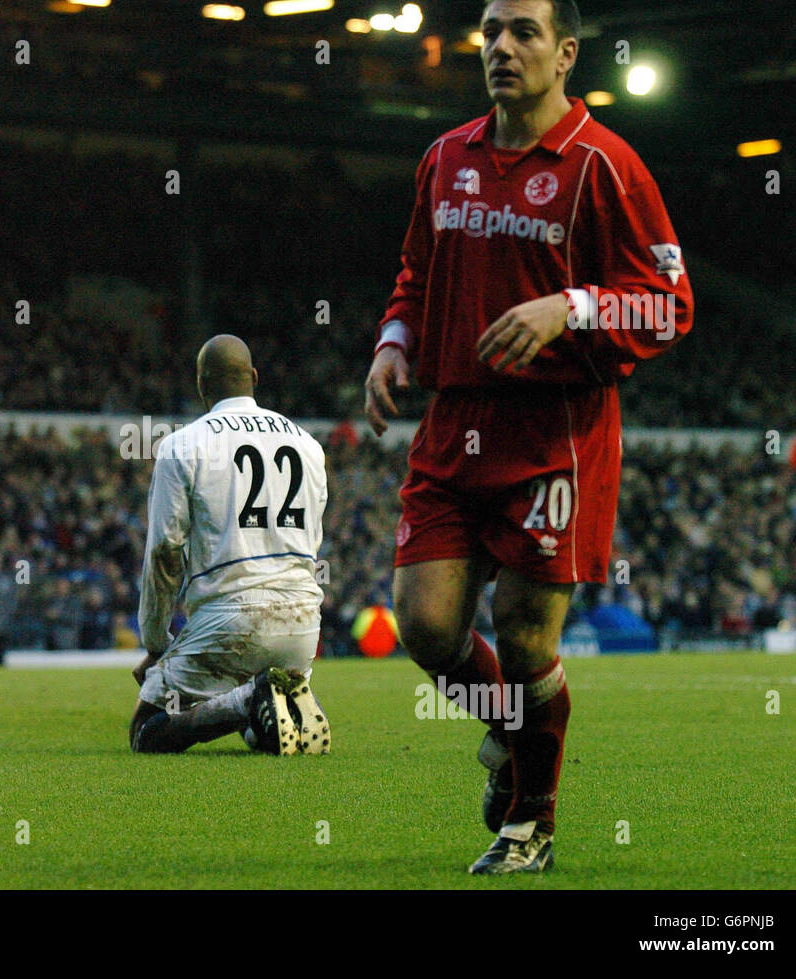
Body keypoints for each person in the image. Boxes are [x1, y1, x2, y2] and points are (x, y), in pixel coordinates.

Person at [362, 0, 693, 874]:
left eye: (524, 32)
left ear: (567, 53)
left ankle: (530, 822)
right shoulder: (445, 158)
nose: (502, 47)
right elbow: (416, 272)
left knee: (524, 630)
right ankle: (515, 731)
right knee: (427, 626)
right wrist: (395, 343)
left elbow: (670, 304)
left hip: (556, 433)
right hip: (452, 420)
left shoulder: (605, 167)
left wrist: (570, 307)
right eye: (491, 30)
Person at [130, 335, 330, 756]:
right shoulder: (309, 445)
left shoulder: (182, 445)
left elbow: (165, 552)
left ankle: (245, 700)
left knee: (146, 729)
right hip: (301, 627)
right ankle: (269, 711)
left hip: (229, 621)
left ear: (201, 385)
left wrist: (155, 642)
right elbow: (312, 544)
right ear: (254, 377)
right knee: (251, 703)